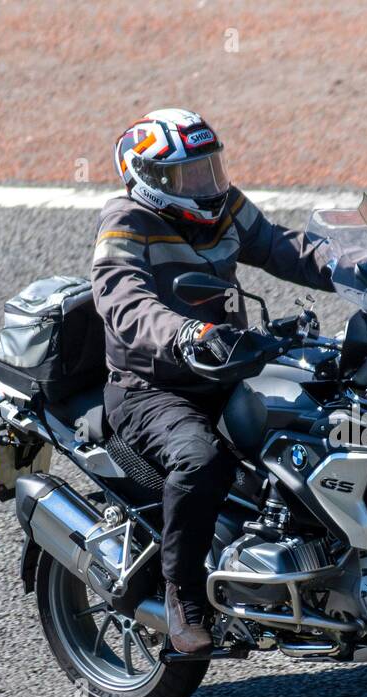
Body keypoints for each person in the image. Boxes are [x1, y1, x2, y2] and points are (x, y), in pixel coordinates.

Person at [91, 108, 334, 654]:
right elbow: (123, 299)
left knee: (326, 412)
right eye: (187, 176)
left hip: (228, 365)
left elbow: (281, 246)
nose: (204, 184)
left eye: (209, 167)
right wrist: (185, 333)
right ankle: (184, 594)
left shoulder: (224, 208)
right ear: (148, 179)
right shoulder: (125, 221)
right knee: (203, 460)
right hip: (152, 387)